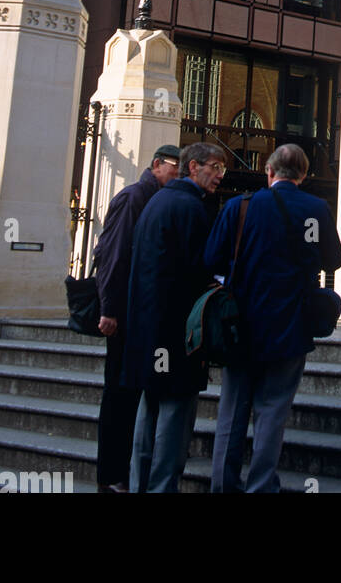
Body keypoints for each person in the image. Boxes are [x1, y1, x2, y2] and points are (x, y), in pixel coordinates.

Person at [204, 143, 341, 493]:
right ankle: (261, 484)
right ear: (304, 175)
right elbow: (334, 260)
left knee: (232, 409)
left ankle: (223, 483)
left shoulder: (240, 206)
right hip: (291, 323)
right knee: (273, 410)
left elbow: (213, 260)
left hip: (241, 322)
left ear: (269, 171)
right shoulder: (315, 209)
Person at [122, 141, 226, 492]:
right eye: (214, 167)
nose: (219, 176)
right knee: (175, 414)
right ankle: (162, 487)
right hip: (175, 331)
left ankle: (140, 484)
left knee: (150, 408)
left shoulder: (159, 201)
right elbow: (201, 267)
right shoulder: (190, 207)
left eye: (221, 168)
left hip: (149, 330)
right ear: (193, 167)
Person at [91, 142, 181, 492]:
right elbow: (112, 257)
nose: (178, 172)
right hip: (123, 314)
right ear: (157, 164)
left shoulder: (153, 197)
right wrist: (109, 309)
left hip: (138, 313)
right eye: (175, 165)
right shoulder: (134, 197)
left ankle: (121, 471)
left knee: (129, 393)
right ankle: (111, 475)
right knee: (118, 395)